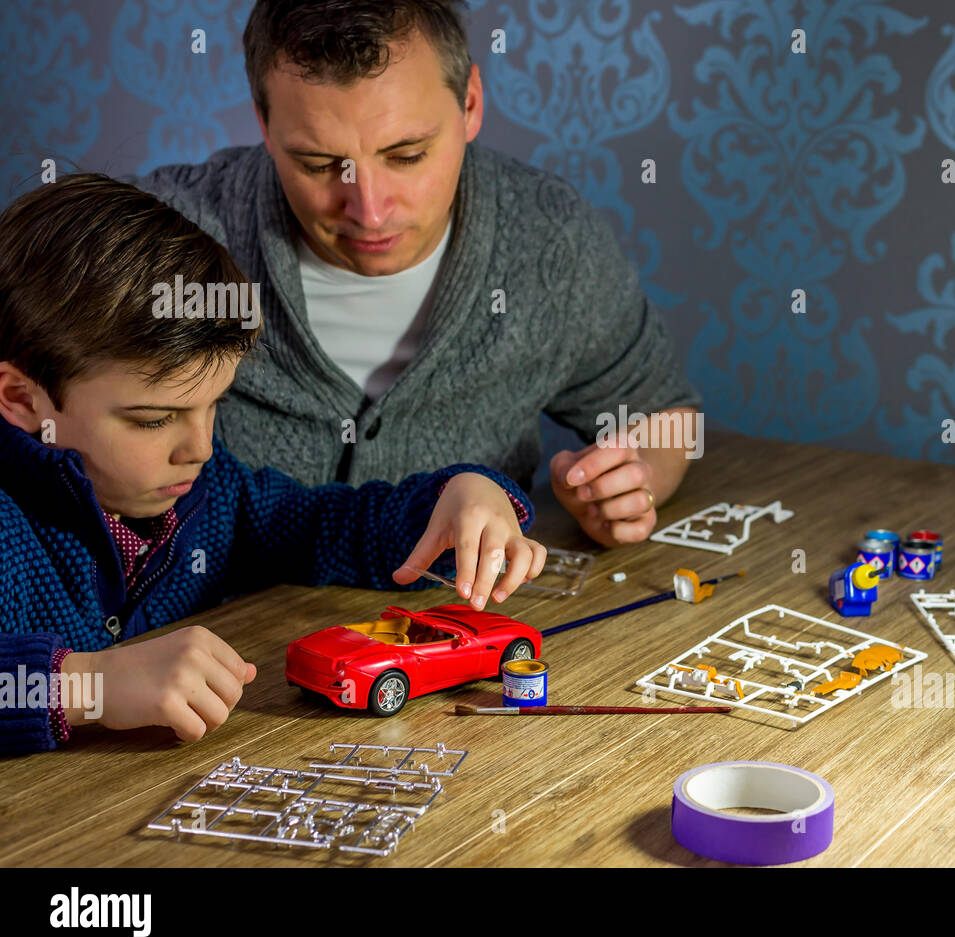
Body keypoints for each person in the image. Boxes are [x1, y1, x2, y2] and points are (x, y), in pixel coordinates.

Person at [0, 174, 547, 754]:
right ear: (21, 399)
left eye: (214, 405)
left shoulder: (212, 492)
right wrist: (88, 686)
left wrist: (457, 499)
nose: (200, 449)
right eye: (155, 419)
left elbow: (326, 526)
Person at [130, 0, 703, 549]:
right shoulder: (163, 239)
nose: (369, 211)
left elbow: (664, 414)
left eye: (406, 155)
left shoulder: (552, 240)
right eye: (319, 165)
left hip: (473, 611)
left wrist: (630, 483)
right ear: (263, 123)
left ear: (470, 104)